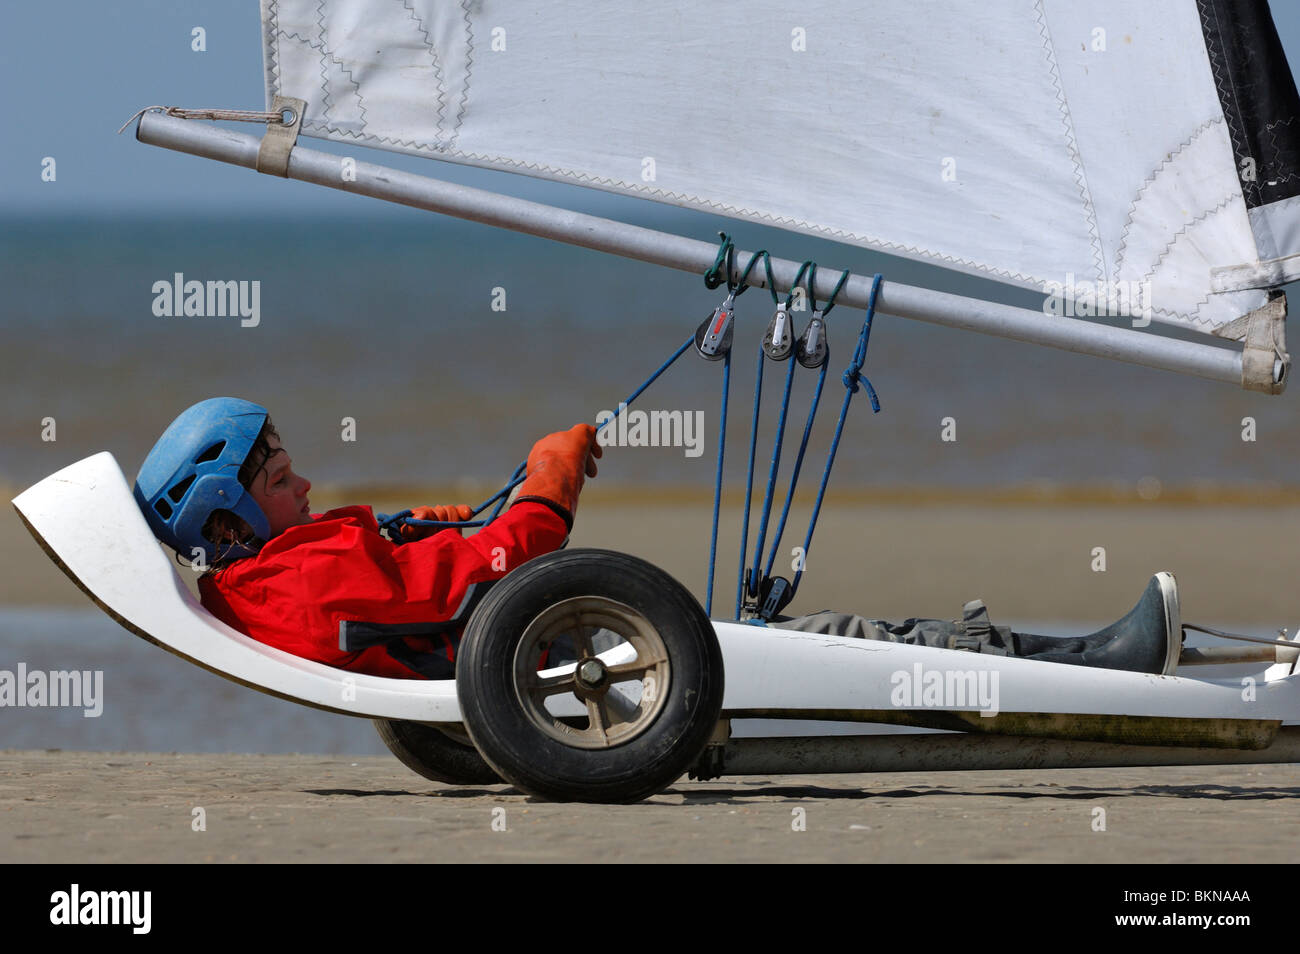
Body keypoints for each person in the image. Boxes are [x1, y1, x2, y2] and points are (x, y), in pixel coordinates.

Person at [133, 398, 1180, 680]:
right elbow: (502, 565)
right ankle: (1107, 666)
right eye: (279, 478)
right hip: (587, 663)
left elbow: (421, 554)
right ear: (225, 517)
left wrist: (470, 510)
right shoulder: (307, 583)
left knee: (843, 635)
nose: (305, 481)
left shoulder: (270, 580)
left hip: (568, 660)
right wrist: (548, 470)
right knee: (856, 641)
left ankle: (1083, 655)